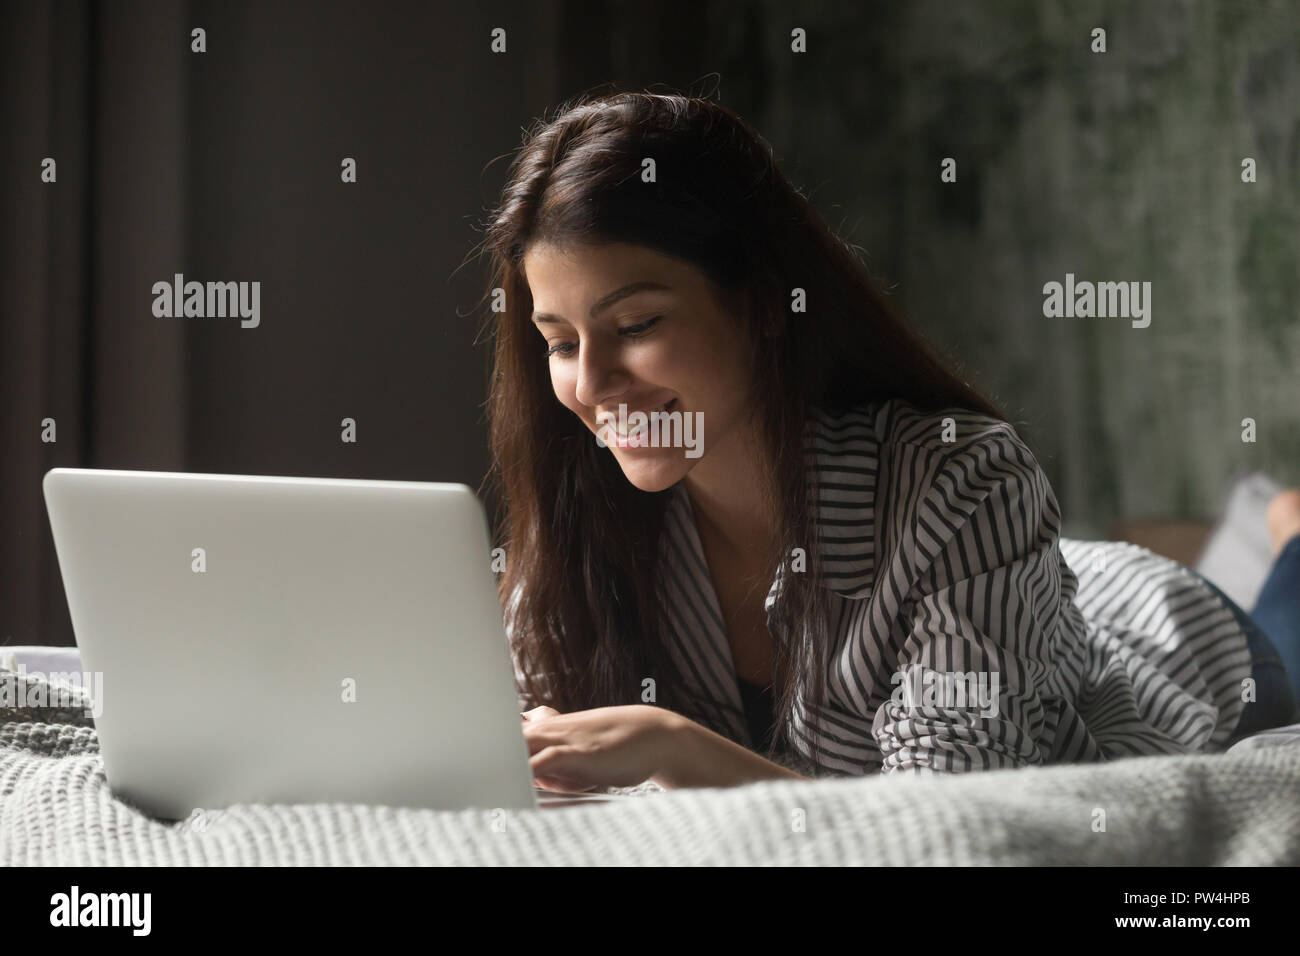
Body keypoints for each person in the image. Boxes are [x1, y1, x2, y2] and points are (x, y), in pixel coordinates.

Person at [476, 90, 1300, 792]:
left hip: (1180, 645)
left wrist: (677, 748)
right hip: (1023, 588)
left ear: (763, 302)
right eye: (560, 342)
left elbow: (948, 818)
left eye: (636, 324)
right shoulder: (580, 519)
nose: (592, 384)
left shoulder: (964, 478)